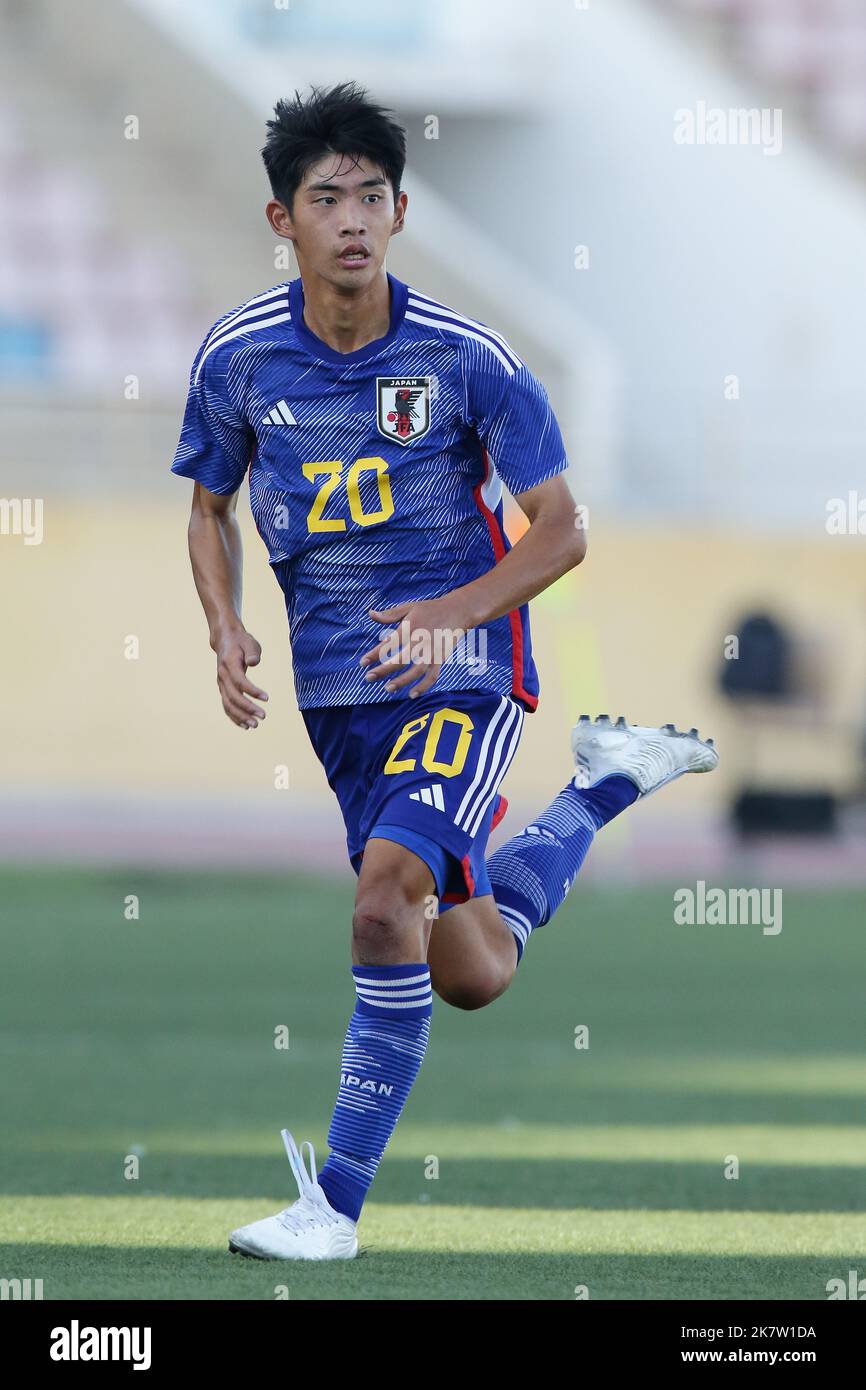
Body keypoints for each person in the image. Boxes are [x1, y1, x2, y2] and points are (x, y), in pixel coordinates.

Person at [171, 81, 718, 1261]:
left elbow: (560, 528)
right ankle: (600, 788)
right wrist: (222, 626)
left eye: (372, 195)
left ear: (402, 210)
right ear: (284, 223)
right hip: (336, 698)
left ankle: (335, 1208)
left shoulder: (464, 360)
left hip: (464, 671)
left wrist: (449, 615)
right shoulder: (236, 358)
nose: (353, 217)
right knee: (466, 968)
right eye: (327, 198)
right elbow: (207, 507)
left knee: (379, 899)